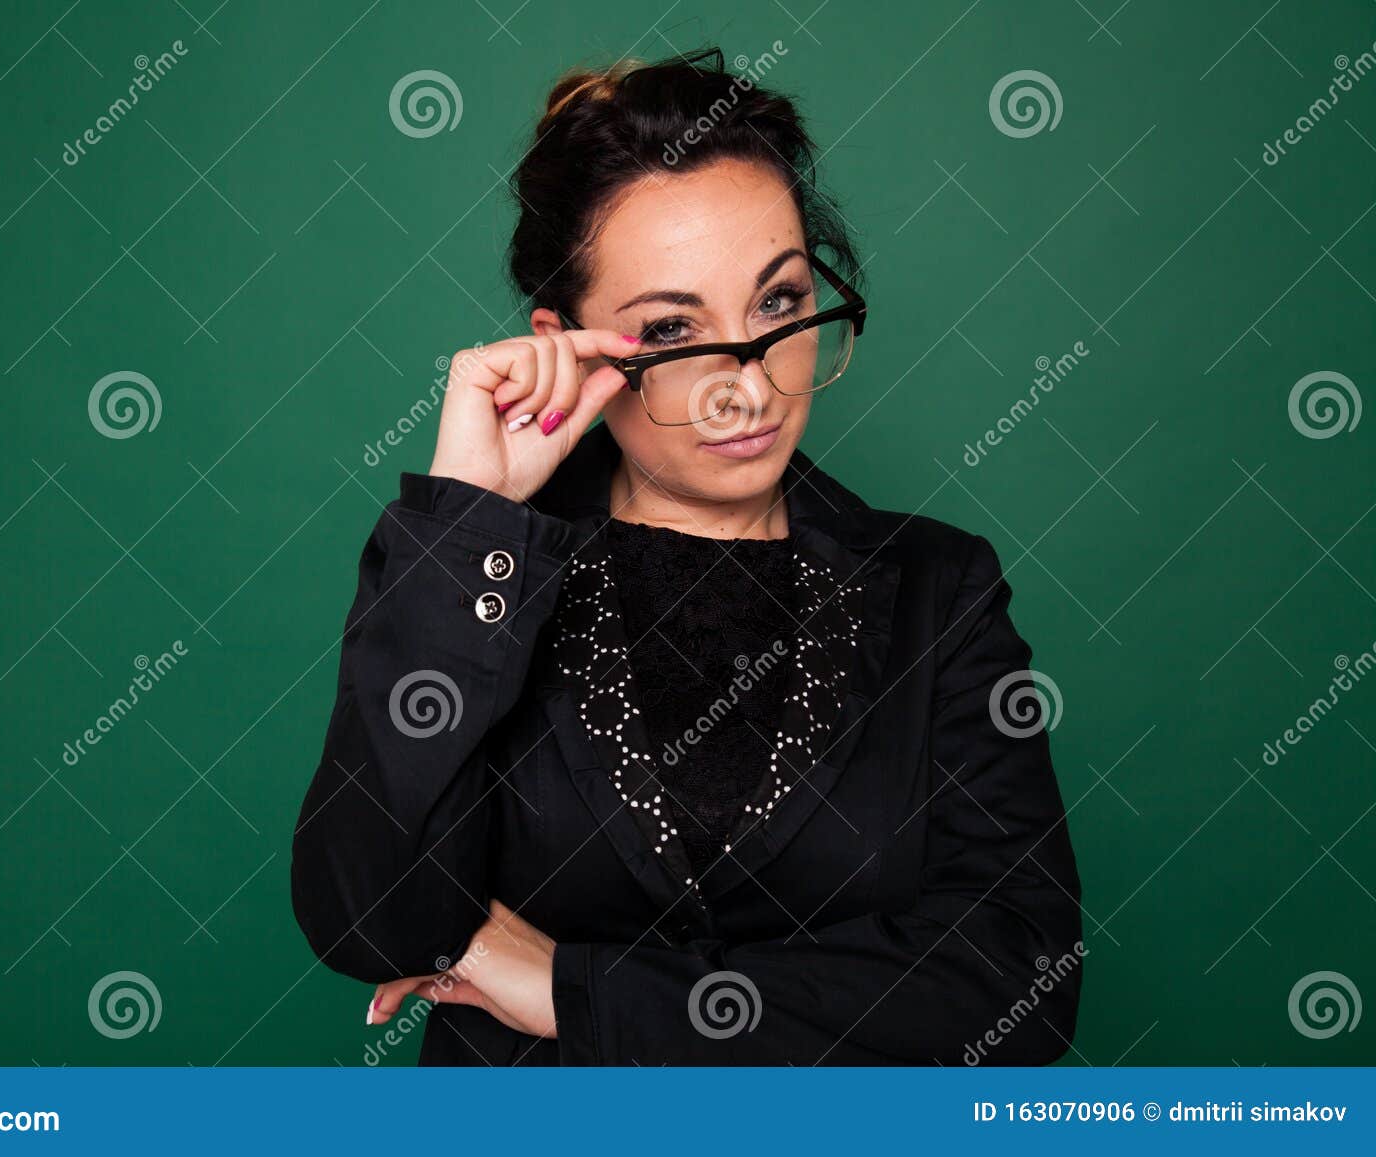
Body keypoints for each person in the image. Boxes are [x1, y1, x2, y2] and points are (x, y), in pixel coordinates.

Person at [290, 47, 1084, 1065]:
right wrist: (472, 519)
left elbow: (1018, 975)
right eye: (672, 328)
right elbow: (373, 922)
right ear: (564, 341)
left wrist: (578, 990)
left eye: (778, 304)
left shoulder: (940, 588)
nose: (744, 387)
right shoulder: (473, 575)